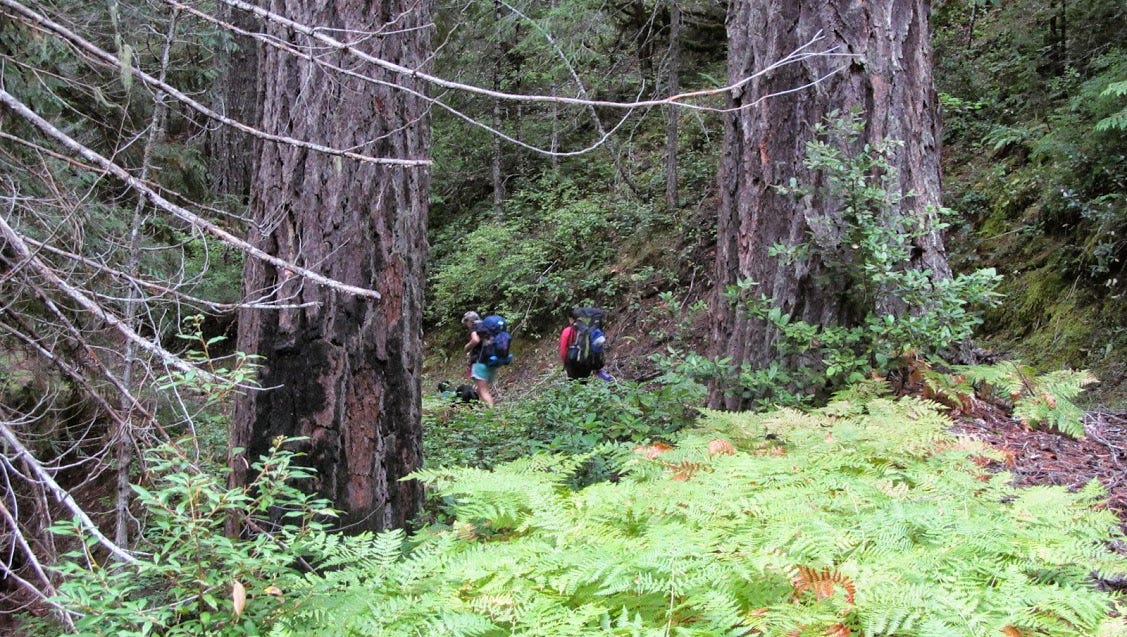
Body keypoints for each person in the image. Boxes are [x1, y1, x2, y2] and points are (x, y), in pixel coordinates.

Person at [559, 307, 613, 382]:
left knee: (573, 383)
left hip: (572, 361)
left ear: (571, 319)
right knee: (583, 382)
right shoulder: (590, 330)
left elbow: (563, 350)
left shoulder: (568, 331)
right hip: (586, 360)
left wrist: (565, 363)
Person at [461, 310, 496, 407]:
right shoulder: (486, 328)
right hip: (490, 361)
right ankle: (483, 412)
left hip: (480, 362)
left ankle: (491, 413)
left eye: (466, 322)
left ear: (469, 320)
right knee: (480, 390)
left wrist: (466, 347)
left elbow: (475, 340)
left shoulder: (475, 327)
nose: (466, 325)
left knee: (483, 391)